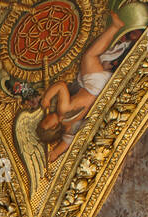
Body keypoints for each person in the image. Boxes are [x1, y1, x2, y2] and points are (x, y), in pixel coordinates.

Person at [35, 12, 127, 161]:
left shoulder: (68, 129)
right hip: (95, 86)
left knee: (87, 63)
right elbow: (61, 86)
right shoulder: (63, 110)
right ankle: (115, 27)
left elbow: (66, 142)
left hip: (98, 92)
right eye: (46, 122)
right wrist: (47, 97)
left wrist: (55, 153)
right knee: (89, 56)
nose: (46, 117)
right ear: (53, 127)